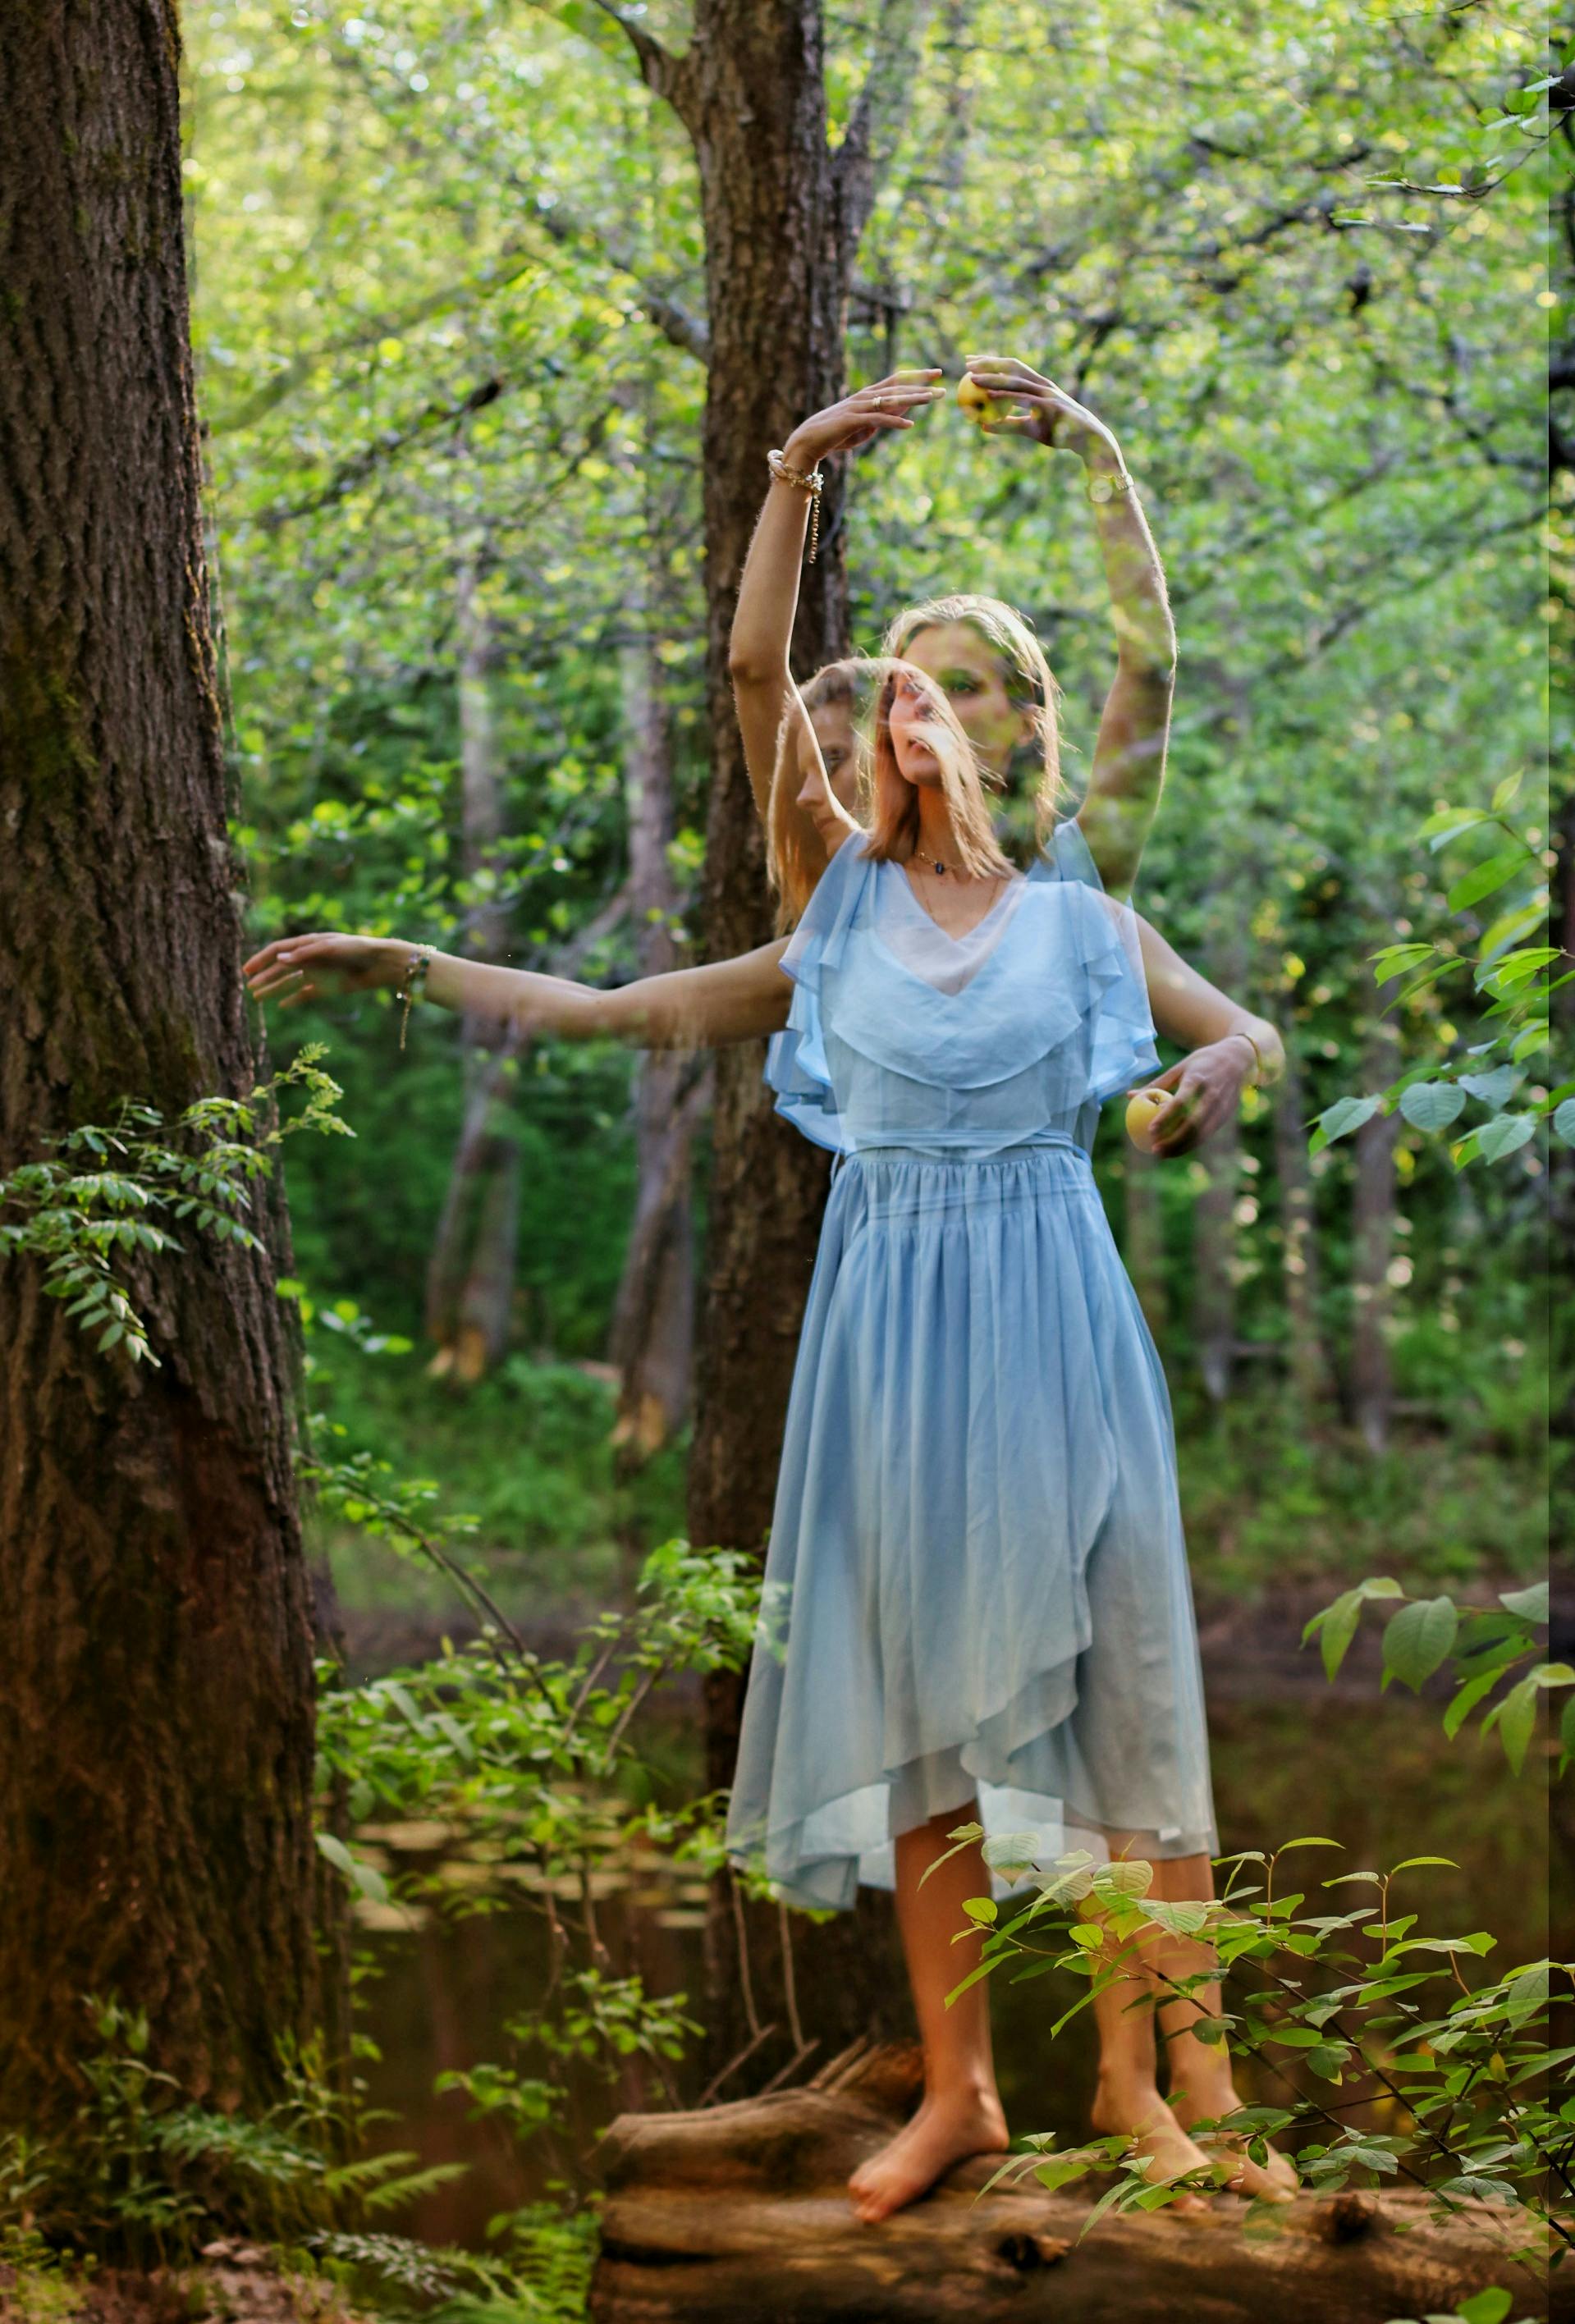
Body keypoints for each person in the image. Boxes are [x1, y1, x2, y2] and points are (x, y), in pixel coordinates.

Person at [244, 658, 1293, 2223]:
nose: (907, 717)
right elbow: (615, 1008)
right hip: (893, 1340)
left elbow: (1247, 1032)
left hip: (1055, 1317)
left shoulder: (1082, 924)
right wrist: (410, 964)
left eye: (948, 691)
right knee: (924, 1718)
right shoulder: (841, 929)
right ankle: (961, 2090)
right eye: (892, 698)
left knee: (1119, 1684)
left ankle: (1156, 2085)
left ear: (1013, 729)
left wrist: (1215, 1063)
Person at [730, 356, 1178, 906]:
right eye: (906, 687)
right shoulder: (843, 878)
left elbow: (1149, 667)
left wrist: (1102, 462)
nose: (928, 706)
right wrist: (797, 465)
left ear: (1025, 726)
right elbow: (753, 669)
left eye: (961, 687)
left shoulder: (1076, 876)